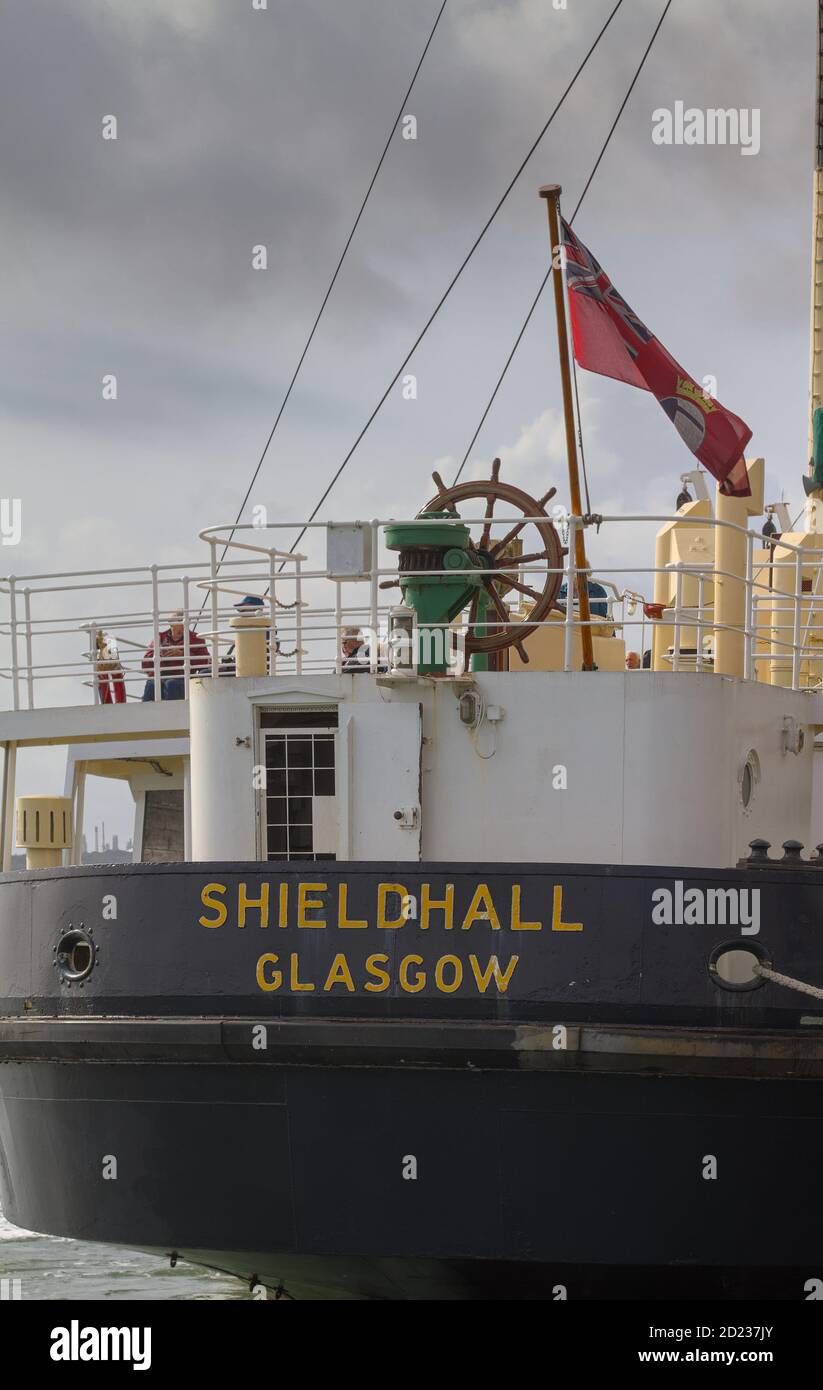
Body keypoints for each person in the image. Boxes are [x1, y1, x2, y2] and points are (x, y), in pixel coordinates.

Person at [142, 609, 210, 701]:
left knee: (171, 684)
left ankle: (171, 713)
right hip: (162, 676)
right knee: (152, 684)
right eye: (179, 624)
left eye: (185, 624)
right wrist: (159, 655)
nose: (182, 628)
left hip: (184, 678)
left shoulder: (196, 639)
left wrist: (183, 654)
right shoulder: (159, 638)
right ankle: (147, 713)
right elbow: (145, 664)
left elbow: (204, 662)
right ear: (171, 624)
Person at [219, 595, 279, 676]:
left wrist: (229, 664)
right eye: (240, 610)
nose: (241, 612)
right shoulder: (267, 631)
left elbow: (249, 657)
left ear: (255, 609)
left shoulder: (263, 632)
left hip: (242, 669)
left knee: (205, 673)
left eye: (243, 609)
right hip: (241, 668)